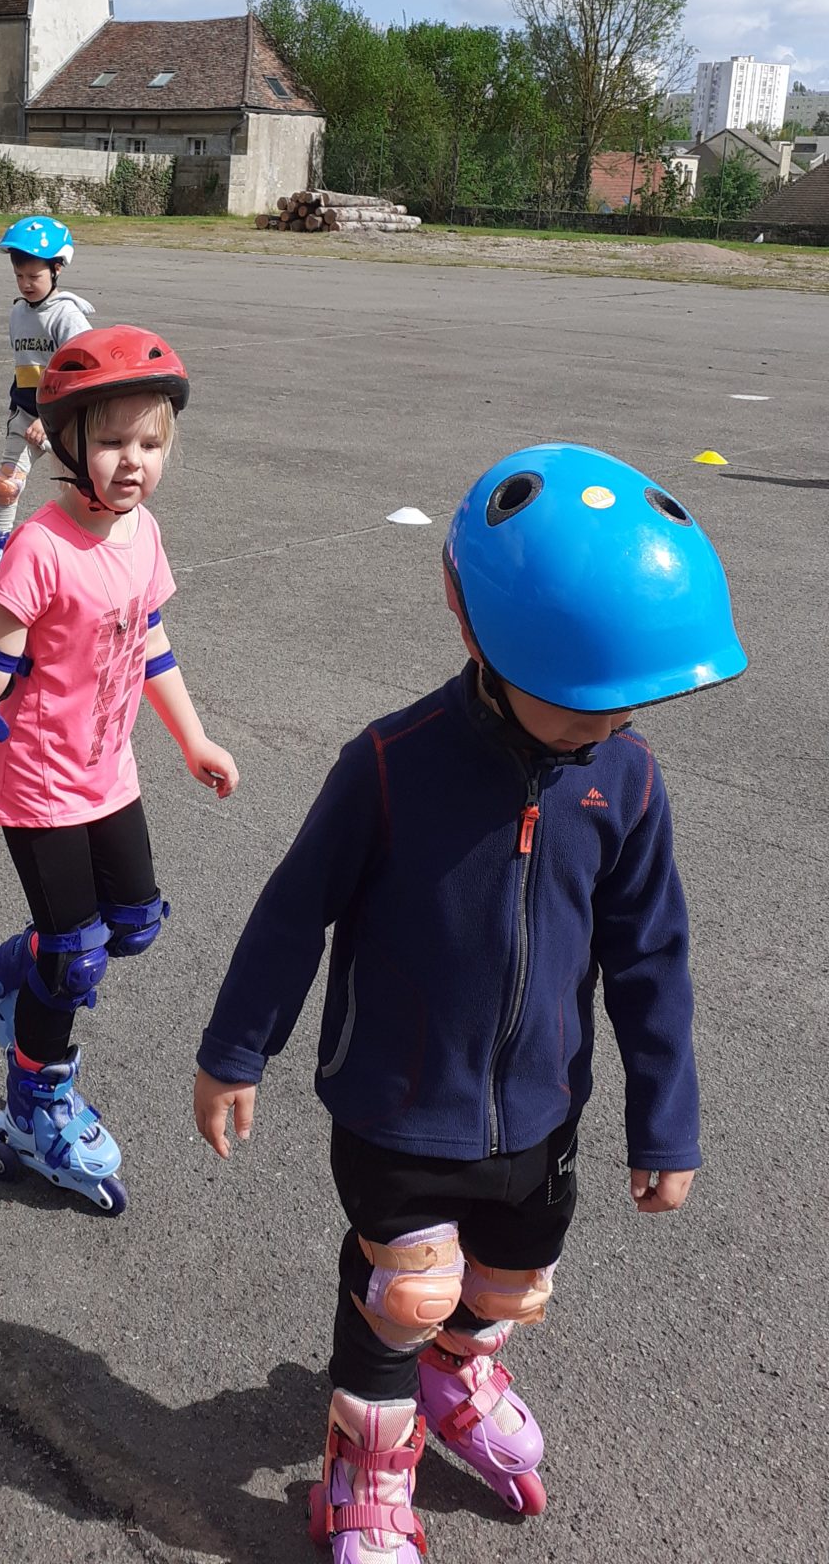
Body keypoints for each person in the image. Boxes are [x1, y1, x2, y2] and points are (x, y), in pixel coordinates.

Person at [192, 444, 747, 1557]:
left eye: (631, 700)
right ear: (481, 632)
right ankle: (364, 1472)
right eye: (586, 696)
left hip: (538, 1114)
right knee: (407, 1288)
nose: (610, 721)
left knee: (512, 1281)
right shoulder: (390, 763)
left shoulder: (624, 781)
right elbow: (295, 909)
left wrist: (666, 1118)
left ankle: (459, 1370)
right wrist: (234, 1048)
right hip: (397, 1107)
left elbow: (652, 957)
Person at [0, 326, 239, 1211]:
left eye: (150, 443)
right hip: (41, 786)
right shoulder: (40, 548)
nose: (133, 462)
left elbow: (149, 640)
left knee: (133, 924)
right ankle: (35, 1110)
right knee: (75, 961)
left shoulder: (142, 533)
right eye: (110, 442)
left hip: (111, 774)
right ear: (65, 442)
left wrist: (193, 739)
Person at [0, 216, 94, 600]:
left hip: (65, 418)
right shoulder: (18, 311)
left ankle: (91, 552)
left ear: (57, 268)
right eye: (19, 275)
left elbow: (82, 373)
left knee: (88, 489)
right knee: (6, 484)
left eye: (33, 276)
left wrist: (49, 416)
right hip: (26, 413)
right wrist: (31, 414)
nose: (25, 283)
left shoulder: (67, 317)